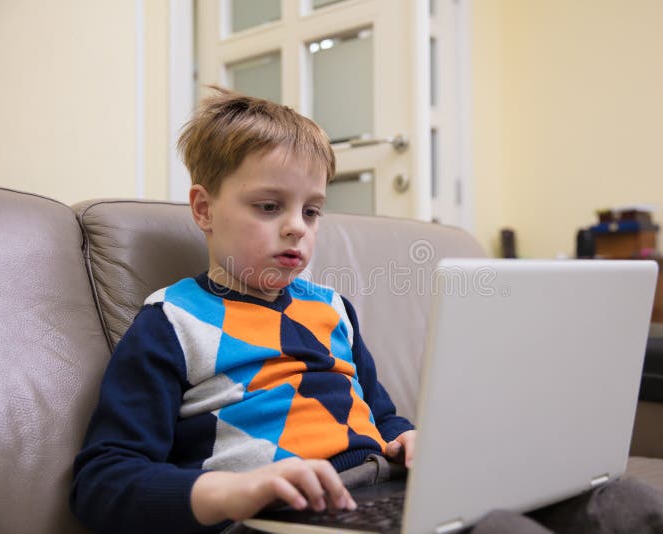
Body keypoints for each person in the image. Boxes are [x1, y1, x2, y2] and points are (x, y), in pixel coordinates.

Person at [70, 87, 416, 534]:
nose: (297, 227)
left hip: (385, 494)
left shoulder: (334, 309)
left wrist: (407, 437)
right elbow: (102, 481)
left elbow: (381, 416)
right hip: (277, 517)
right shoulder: (172, 322)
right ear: (204, 209)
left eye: (312, 211)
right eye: (269, 206)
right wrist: (234, 491)